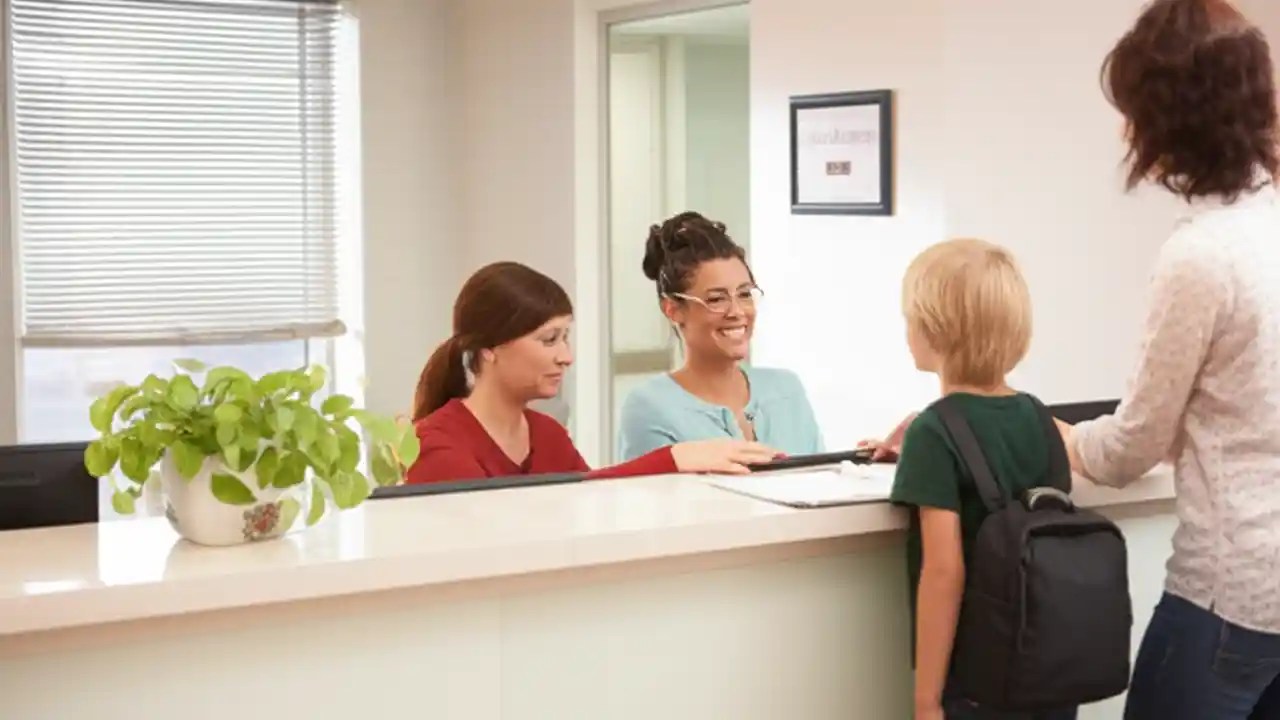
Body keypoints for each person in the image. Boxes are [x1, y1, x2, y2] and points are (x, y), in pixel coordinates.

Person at [1056, 1, 1280, 717]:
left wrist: (1055, 434)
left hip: (1228, 598)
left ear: (1171, 122)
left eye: (1133, 112)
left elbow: (1132, 447)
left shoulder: (1202, 255)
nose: (1126, 131)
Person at [886, 239, 1076, 720]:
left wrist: (926, 699)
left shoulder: (933, 431)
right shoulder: (1038, 416)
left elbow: (944, 573)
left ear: (934, 330)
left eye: (910, 317)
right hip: (1048, 670)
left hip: (976, 680)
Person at [408, 261, 780, 484]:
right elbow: (508, 526)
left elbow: (592, 503)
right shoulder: (436, 442)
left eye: (565, 337)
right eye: (549, 339)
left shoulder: (547, 436)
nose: (567, 357)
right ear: (489, 350)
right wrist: (673, 458)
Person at [616, 212, 824, 460]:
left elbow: (822, 485)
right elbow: (652, 497)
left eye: (745, 294)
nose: (737, 312)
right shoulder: (650, 407)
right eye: (716, 299)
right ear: (673, 310)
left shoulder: (787, 389)